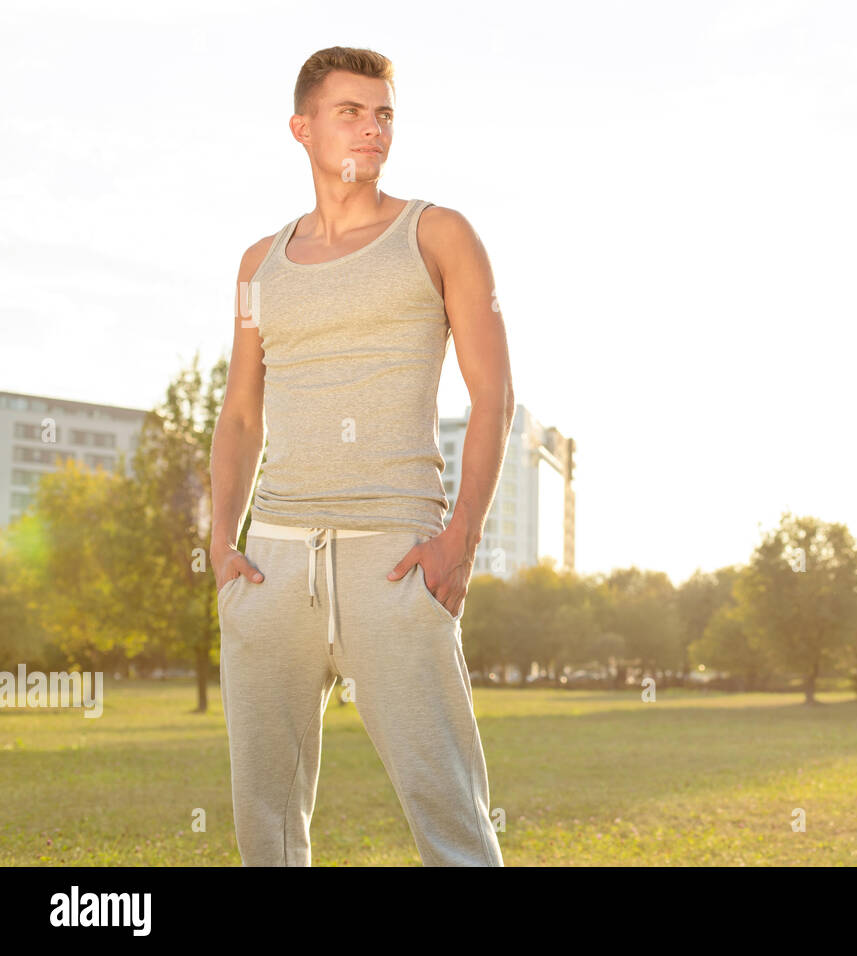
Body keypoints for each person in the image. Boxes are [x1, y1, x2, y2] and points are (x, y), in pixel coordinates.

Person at [209, 45, 512, 866]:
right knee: (265, 830)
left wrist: (460, 540)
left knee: (452, 821)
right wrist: (222, 543)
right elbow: (240, 414)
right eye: (350, 112)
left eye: (383, 114)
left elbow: (494, 396)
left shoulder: (438, 234)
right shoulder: (258, 265)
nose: (372, 129)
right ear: (302, 128)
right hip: (271, 567)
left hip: (395, 562)